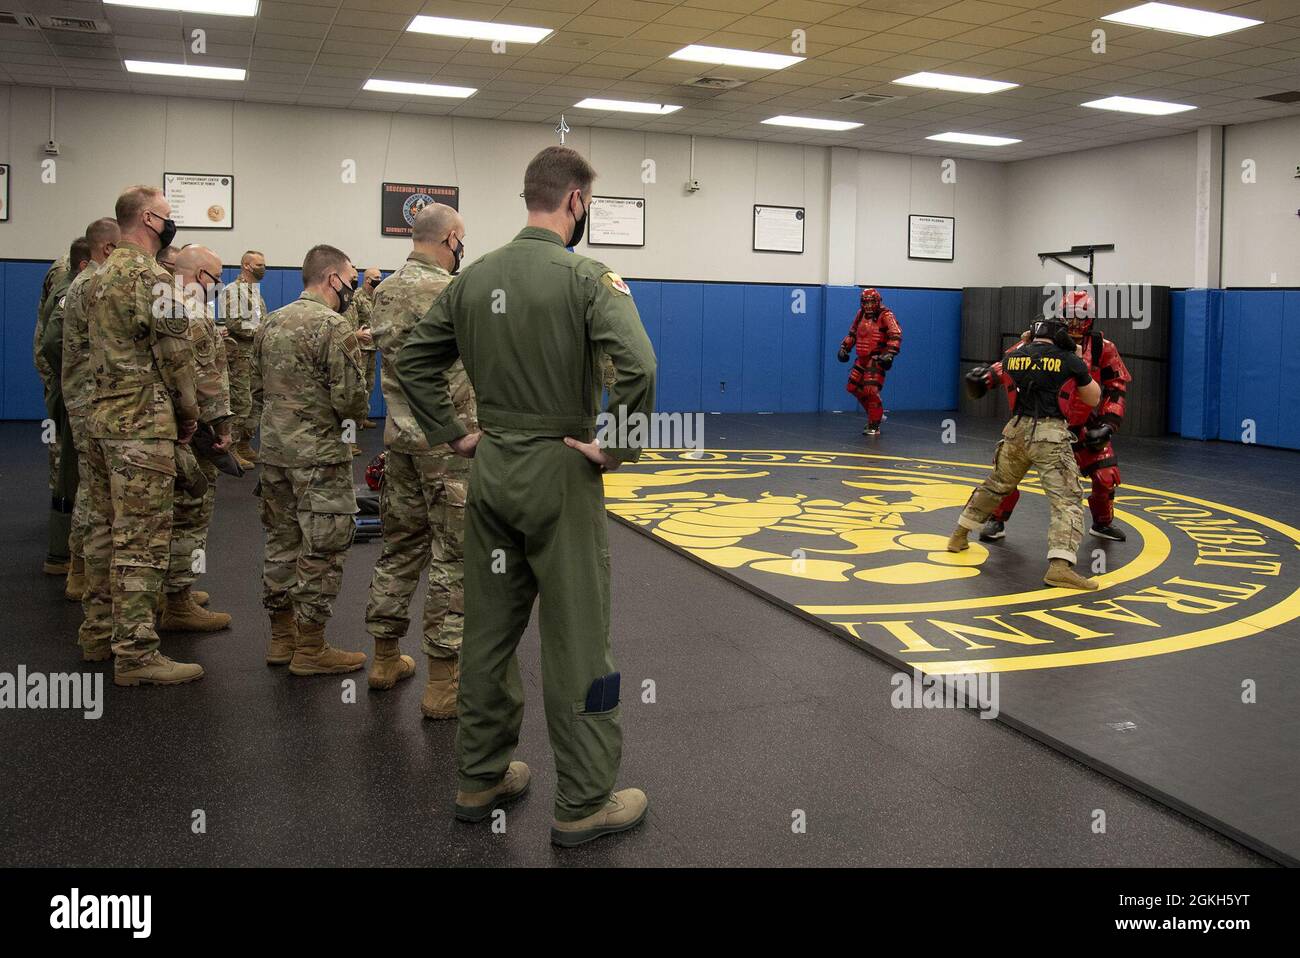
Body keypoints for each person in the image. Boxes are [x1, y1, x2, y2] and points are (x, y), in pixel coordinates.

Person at [397, 145, 657, 847]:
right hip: (561, 474)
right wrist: (617, 448)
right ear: (576, 201)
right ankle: (584, 802)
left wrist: (456, 435)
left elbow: (415, 360)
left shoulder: (473, 277)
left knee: (487, 632)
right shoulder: (588, 277)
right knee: (578, 641)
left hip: (492, 473)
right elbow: (639, 365)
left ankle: (479, 777)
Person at [83, 185, 204, 684]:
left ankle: (97, 633)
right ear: (150, 220)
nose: (170, 223)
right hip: (142, 427)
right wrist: (189, 412)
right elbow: (175, 356)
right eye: (168, 216)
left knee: (103, 531)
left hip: (99, 422)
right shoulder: (152, 278)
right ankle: (135, 655)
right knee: (142, 540)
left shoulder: (92, 279)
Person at [363, 203, 471, 712]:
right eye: (461, 240)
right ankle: (443, 685)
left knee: (400, 550)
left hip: (399, 441)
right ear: (450, 238)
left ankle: (384, 658)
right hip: (447, 446)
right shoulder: (452, 292)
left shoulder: (382, 291)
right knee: (455, 557)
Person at [253, 244, 370, 674]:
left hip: (274, 453)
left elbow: (255, 387)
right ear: (332, 279)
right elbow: (351, 401)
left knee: (281, 543)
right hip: (320, 456)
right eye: (351, 279)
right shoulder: (334, 328)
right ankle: (311, 647)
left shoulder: (270, 323)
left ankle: (281, 639)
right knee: (323, 548)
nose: (352, 288)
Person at [952, 311, 1103, 590]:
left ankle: (959, 535)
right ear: (1060, 335)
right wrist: (1078, 360)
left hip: (1015, 432)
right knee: (1067, 500)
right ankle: (1059, 567)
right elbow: (1093, 397)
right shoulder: (1068, 359)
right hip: (1050, 436)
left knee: (996, 485)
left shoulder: (1012, 357)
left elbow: (988, 378)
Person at [980, 290, 1132, 543]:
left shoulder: (1102, 348)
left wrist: (1108, 425)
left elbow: (1116, 388)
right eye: (1069, 316)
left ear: (1091, 318)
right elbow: (1009, 361)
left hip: (1082, 425)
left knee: (1106, 476)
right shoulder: (1041, 341)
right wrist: (985, 377)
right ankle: (996, 519)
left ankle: (1102, 523)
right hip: (1039, 422)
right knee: (1006, 473)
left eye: (1080, 316)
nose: (1074, 322)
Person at [158, 245, 234, 633]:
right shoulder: (196, 315)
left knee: (168, 512)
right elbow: (206, 381)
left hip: (164, 428)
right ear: (201, 275)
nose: (220, 284)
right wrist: (221, 426)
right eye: (217, 277)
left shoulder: (165, 304)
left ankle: (165, 589)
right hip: (195, 430)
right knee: (192, 511)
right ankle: (179, 600)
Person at [58, 217, 120, 608]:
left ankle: (83, 569)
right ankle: (81, 570)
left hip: (88, 396)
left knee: (93, 486)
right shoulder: (93, 284)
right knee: (95, 491)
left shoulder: (83, 283)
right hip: (91, 399)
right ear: (108, 249)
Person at [38, 238, 90, 587]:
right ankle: (64, 557)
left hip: (73, 390)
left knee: (73, 472)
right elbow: (53, 342)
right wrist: (78, 377)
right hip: (75, 394)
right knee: (70, 472)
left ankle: (68, 557)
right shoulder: (70, 289)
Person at [35, 246, 77, 575]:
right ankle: (63, 549)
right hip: (63, 379)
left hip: (65, 376)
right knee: (65, 456)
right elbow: (53, 339)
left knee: (68, 459)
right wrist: (70, 378)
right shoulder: (67, 275)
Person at [220, 250, 268, 469]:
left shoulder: (255, 293)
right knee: (241, 402)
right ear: (247, 266)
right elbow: (235, 323)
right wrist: (261, 332)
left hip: (256, 356)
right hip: (240, 355)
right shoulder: (233, 291)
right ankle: (231, 449)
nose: (263, 268)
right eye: (259, 264)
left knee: (256, 401)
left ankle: (244, 444)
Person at [837, 287, 901, 436]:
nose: (868, 306)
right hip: (861, 358)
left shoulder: (886, 315)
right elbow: (853, 333)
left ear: (878, 301)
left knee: (870, 390)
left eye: (871, 302)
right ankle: (875, 412)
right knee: (852, 387)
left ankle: (875, 422)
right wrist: (844, 348)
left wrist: (890, 353)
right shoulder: (860, 315)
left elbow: (895, 333)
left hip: (876, 358)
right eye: (865, 302)